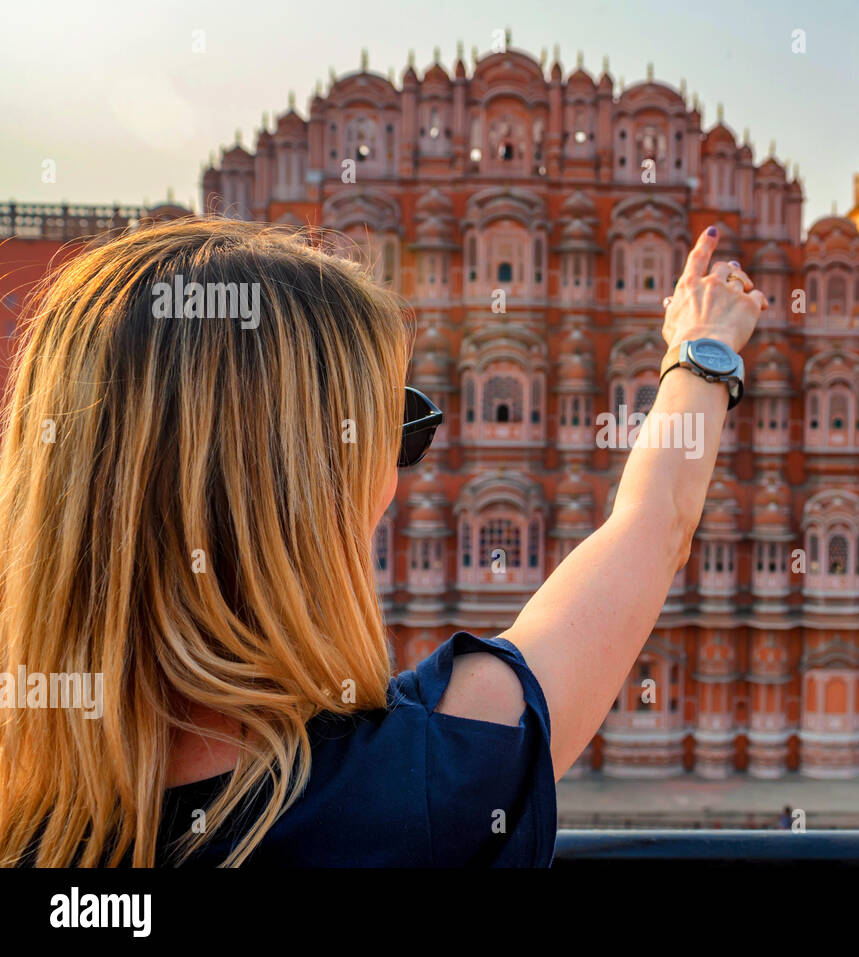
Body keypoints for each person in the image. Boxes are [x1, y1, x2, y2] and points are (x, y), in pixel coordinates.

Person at [0, 219, 765, 866]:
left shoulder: (29, 820)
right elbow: (651, 525)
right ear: (313, 487)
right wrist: (702, 347)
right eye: (397, 427)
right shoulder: (426, 786)